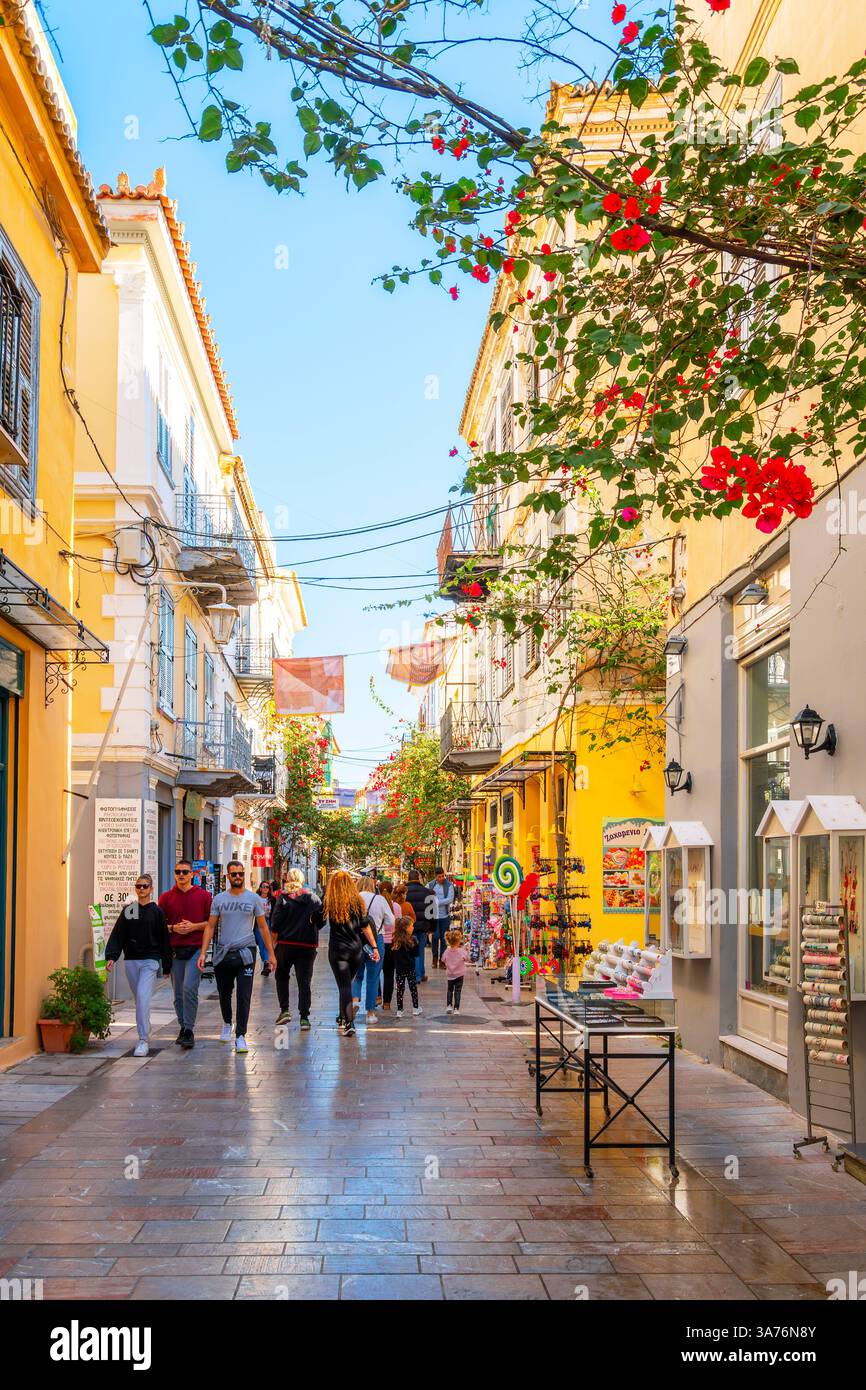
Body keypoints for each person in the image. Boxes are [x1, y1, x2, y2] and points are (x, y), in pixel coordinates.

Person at [198, 859, 275, 1054]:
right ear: (228, 877)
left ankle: (241, 1035)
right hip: (224, 951)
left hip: (246, 951)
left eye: (241, 873)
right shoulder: (219, 899)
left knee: (244, 995)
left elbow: (263, 927)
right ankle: (226, 1022)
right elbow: (210, 926)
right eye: (234, 874)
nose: (238, 877)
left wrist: (271, 954)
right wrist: (202, 952)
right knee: (224, 993)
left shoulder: (253, 899)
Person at [105, 874, 173, 1057]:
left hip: (150, 960)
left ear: (151, 888)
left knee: (143, 998)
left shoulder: (157, 912)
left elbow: (164, 939)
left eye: (145, 886)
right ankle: (146, 1025)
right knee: (139, 1000)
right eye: (138, 886)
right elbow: (118, 933)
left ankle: (143, 1039)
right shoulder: (130, 910)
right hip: (131, 960)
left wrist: (167, 966)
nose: (141, 889)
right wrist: (111, 956)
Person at [158, 859, 212, 1050]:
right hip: (174, 950)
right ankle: (183, 1026)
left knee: (190, 988)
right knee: (178, 994)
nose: (181, 875)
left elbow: (211, 923)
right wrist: (173, 928)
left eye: (185, 872)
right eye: (178, 871)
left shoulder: (204, 896)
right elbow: (158, 926)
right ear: (174, 874)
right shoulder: (165, 898)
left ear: (192, 875)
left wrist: (193, 927)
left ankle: (189, 1029)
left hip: (195, 948)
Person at [323, 870, 379, 1037]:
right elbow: (365, 927)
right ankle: (342, 1017)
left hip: (337, 951)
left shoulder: (330, 902)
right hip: (356, 950)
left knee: (344, 986)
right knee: (346, 984)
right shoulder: (357, 902)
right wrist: (375, 948)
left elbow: (319, 921)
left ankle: (349, 1022)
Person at [270, 867, 323, 1030]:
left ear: (287, 880)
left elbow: (275, 925)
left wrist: (273, 946)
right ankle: (304, 1017)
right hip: (307, 946)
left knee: (282, 976)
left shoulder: (283, 899)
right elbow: (321, 921)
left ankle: (285, 1010)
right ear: (302, 880)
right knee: (304, 982)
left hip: (285, 945)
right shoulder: (314, 899)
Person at [352, 875, 394, 1024]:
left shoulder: (354, 898)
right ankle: (370, 1013)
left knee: (357, 974)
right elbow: (391, 921)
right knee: (373, 977)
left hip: (356, 940)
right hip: (376, 940)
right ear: (372, 886)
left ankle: (355, 1000)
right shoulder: (380, 899)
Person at [383, 882, 414, 1010]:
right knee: (389, 973)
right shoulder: (396, 906)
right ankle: (387, 1002)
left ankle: (378, 996)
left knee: (374, 973)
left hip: (379, 942)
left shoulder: (377, 904)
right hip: (393, 942)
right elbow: (400, 926)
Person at [404, 871, 435, 982]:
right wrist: (432, 927)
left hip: (408, 927)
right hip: (423, 926)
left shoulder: (404, 892)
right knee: (420, 950)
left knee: (410, 951)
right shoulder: (427, 892)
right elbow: (432, 912)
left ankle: (414, 975)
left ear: (408, 878)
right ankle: (420, 974)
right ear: (419, 878)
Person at [391, 916, 421, 1020]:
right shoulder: (413, 940)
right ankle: (415, 1008)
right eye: (411, 926)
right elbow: (416, 954)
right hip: (410, 968)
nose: (413, 927)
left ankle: (400, 1010)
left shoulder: (395, 940)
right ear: (406, 928)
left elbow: (393, 954)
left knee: (400, 989)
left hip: (399, 969)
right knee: (413, 988)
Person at [427, 867, 456, 969]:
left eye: (443, 876)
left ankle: (442, 960)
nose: (442, 878)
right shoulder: (430, 885)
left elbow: (450, 899)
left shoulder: (449, 886)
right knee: (435, 937)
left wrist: (436, 902)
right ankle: (434, 958)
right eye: (439, 876)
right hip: (434, 916)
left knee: (444, 939)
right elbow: (427, 897)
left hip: (444, 916)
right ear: (435, 877)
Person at [442, 927, 468, 1014]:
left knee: (450, 990)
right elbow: (467, 958)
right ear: (458, 941)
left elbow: (443, 959)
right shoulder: (462, 951)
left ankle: (449, 1006)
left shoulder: (447, 951)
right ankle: (456, 1008)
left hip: (450, 975)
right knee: (458, 991)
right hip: (460, 975)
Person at [255, 879, 276, 976]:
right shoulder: (256, 898)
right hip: (258, 923)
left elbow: (275, 913)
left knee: (267, 943)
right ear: (260, 888)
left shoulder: (272, 900)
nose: (265, 888)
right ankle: (266, 962)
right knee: (261, 944)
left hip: (268, 922)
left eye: (267, 887)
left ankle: (267, 963)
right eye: (263, 886)